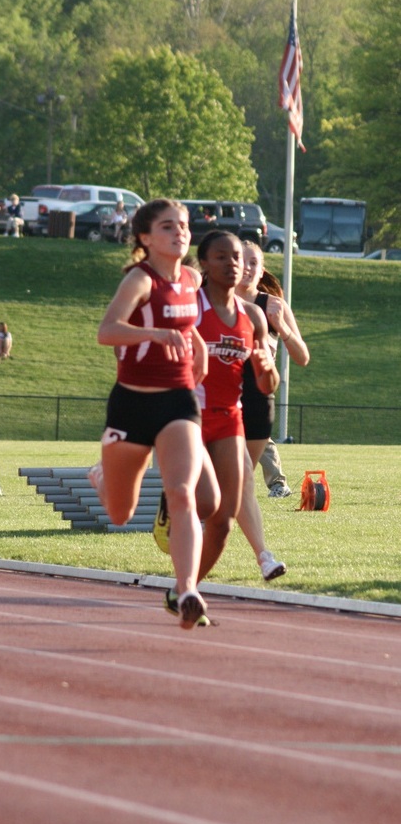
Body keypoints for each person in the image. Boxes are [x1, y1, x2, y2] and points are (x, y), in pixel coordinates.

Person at [87, 198, 219, 630]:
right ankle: (101, 477)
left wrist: (194, 343)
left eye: (183, 225)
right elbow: (107, 332)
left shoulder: (191, 278)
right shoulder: (139, 282)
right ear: (145, 238)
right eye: (167, 227)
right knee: (121, 514)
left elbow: (186, 323)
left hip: (178, 400)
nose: (180, 232)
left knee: (182, 493)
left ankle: (186, 591)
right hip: (132, 404)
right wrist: (156, 333)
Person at [156, 229, 280, 617]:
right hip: (187, 416)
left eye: (237, 258)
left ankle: (182, 591)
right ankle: (188, 584)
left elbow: (266, 383)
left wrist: (266, 369)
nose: (232, 264)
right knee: (207, 504)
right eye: (222, 257)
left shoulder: (254, 317)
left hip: (230, 418)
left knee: (224, 523)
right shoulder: (188, 308)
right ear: (205, 264)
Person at [235, 240, 309, 578]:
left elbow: (302, 357)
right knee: (224, 480)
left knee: (239, 484)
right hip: (214, 397)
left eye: (254, 262)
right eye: (241, 260)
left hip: (255, 399)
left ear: (262, 269)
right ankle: (262, 555)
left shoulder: (273, 305)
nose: (246, 267)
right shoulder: (208, 294)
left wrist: (281, 329)